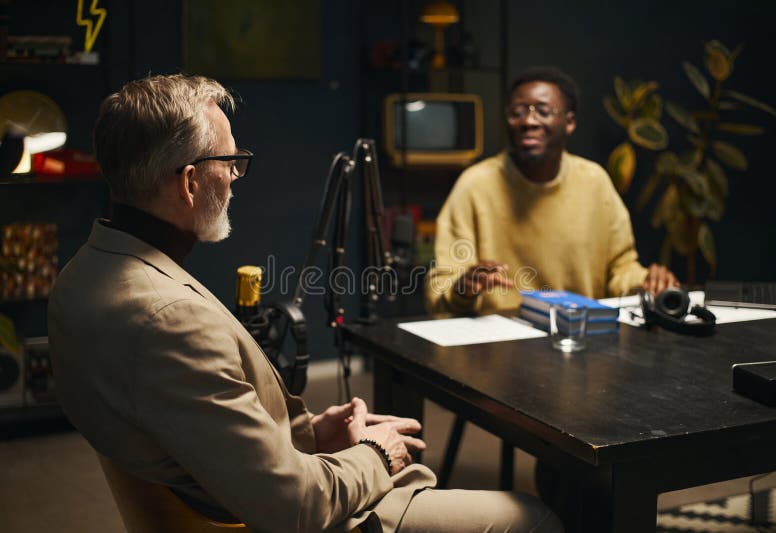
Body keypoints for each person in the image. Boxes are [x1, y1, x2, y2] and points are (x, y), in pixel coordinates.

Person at [47, 74, 563, 533]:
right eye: (230, 162)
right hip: (278, 517)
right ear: (187, 183)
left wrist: (311, 433)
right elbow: (293, 507)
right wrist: (375, 454)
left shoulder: (82, 276)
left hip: (231, 489)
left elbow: (198, 431)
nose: (234, 177)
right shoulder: (170, 320)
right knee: (534, 516)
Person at [426, 66, 677, 314]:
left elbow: (620, 269)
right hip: (500, 343)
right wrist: (465, 287)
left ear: (569, 122)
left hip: (580, 338)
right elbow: (441, 287)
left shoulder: (594, 181)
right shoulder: (474, 185)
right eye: (517, 112)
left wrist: (647, 282)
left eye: (543, 112)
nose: (529, 121)